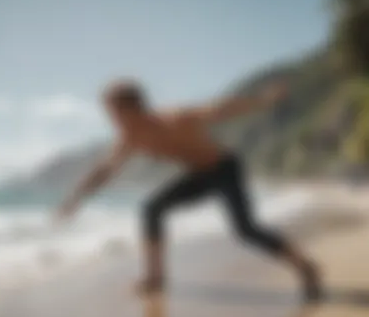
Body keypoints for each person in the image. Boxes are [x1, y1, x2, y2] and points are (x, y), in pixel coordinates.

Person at [54, 78, 321, 301]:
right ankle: (155, 278)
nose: (110, 118)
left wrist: (266, 100)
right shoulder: (129, 138)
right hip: (199, 174)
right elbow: (105, 169)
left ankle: (305, 266)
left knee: (245, 229)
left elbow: (221, 109)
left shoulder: (174, 118)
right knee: (151, 209)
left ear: (131, 109)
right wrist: (75, 198)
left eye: (112, 112)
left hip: (225, 168)